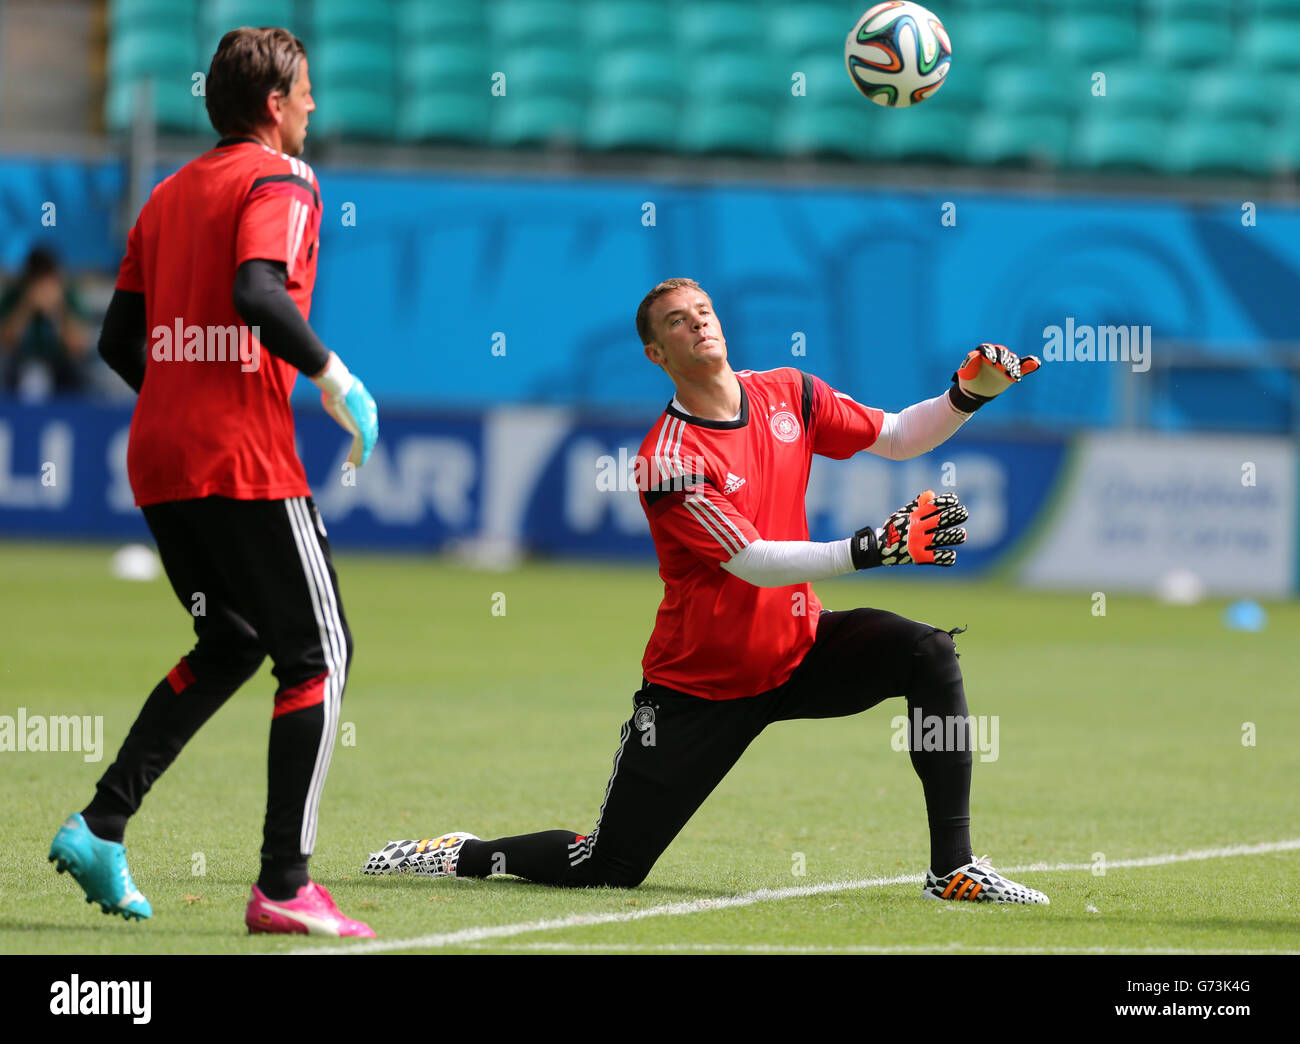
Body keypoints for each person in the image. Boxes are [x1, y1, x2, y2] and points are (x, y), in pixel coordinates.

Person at [363, 277, 1048, 905]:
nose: (698, 326)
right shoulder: (668, 459)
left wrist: (968, 394)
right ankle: (459, 854)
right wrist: (870, 548)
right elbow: (749, 559)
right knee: (607, 867)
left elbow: (898, 436)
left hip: (797, 648)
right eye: (677, 323)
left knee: (927, 653)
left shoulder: (790, 393)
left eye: (703, 312)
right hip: (700, 689)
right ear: (656, 353)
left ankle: (951, 869)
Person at [47, 26, 379, 937]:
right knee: (320, 654)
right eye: (304, 90)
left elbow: (121, 342)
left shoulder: (166, 194)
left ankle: (103, 822)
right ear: (274, 105)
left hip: (160, 459)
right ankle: (285, 883)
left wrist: (184, 395)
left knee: (232, 639)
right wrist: (338, 380)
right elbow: (259, 293)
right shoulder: (283, 180)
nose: (313, 105)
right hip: (243, 456)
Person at [0, 247, 91, 398]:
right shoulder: (14, 295)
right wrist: (26, 307)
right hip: (21, 361)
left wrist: (58, 310)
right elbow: (5, 341)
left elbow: (78, 346)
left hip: (59, 364)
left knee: (77, 372)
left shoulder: (67, 295)